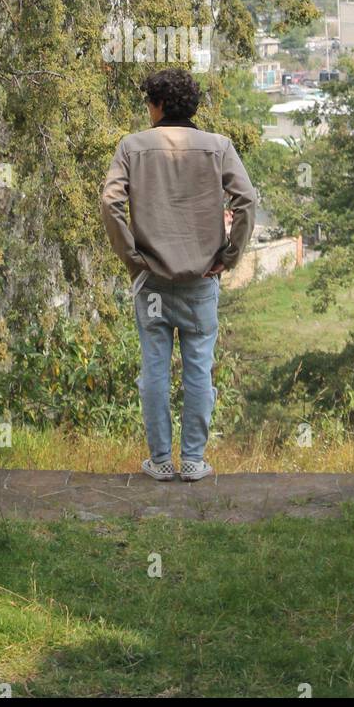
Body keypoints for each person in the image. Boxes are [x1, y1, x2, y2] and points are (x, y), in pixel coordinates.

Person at [100, 67, 256, 481]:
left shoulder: (132, 147)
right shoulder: (217, 147)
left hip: (151, 280)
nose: (148, 109)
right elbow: (247, 200)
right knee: (199, 369)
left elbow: (110, 202)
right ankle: (192, 460)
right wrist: (230, 256)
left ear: (160, 104)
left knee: (153, 368)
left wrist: (133, 257)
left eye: (149, 102)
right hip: (202, 280)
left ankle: (159, 461)